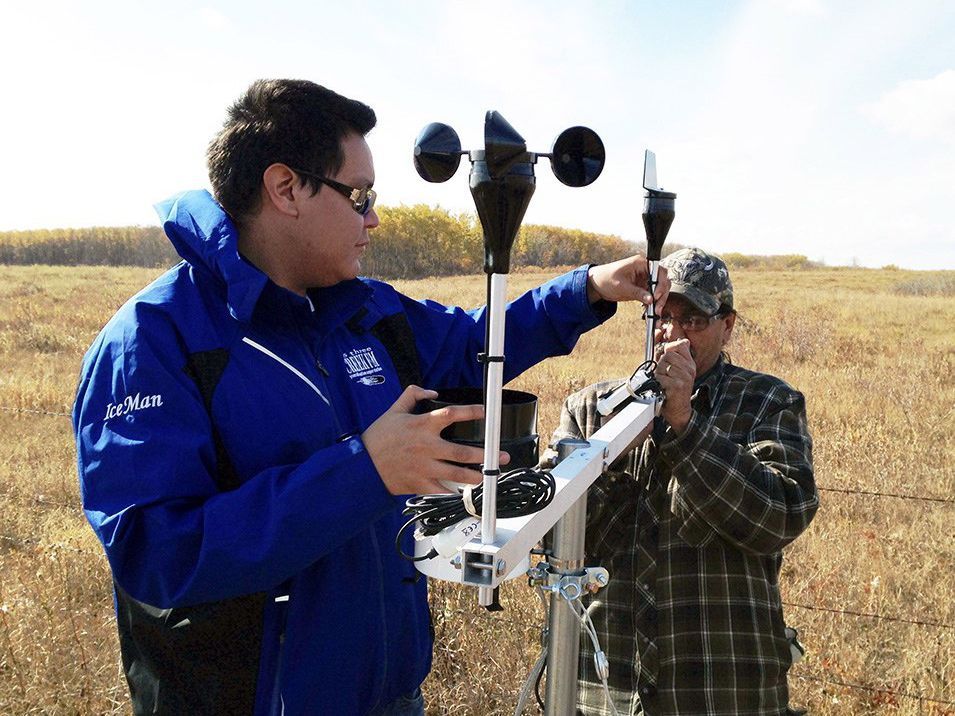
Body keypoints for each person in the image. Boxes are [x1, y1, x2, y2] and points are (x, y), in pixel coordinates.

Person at [72, 79, 668, 716]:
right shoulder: (156, 342)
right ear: (285, 188)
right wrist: (365, 471)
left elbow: (474, 344)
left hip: (390, 696)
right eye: (358, 195)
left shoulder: (363, 312)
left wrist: (590, 289)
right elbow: (158, 555)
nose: (374, 217)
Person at [548, 247, 817, 716]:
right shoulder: (592, 410)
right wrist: (605, 456)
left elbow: (779, 516)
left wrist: (686, 425)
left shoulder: (767, 402)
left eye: (693, 318)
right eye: (661, 316)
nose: (672, 331)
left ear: (727, 324)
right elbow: (555, 540)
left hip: (722, 687)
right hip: (606, 690)